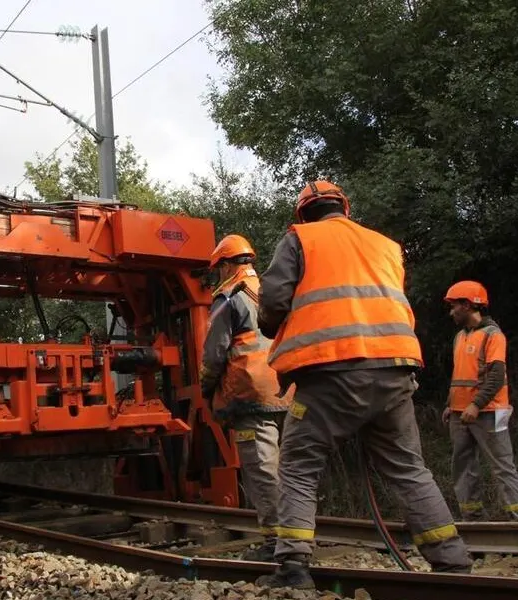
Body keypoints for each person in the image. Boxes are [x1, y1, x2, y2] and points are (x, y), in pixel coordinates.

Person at [255, 180, 473, 588]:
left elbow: (273, 302)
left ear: (304, 214)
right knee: (408, 468)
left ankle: (292, 567)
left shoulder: (300, 238)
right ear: (344, 207)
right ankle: (452, 561)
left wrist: (270, 325)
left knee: (299, 466)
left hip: (330, 372)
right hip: (394, 369)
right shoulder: (385, 245)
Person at [200, 234, 293, 562]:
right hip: (285, 389)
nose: (218, 275)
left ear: (227, 265)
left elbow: (214, 354)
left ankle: (277, 543)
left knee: (262, 470)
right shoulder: (269, 291)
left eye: (218, 268)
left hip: (250, 394)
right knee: (289, 468)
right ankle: (297, 535)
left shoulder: (228, 298)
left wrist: (206, 388)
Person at [443, 281, 518, 521]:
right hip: (460, 413)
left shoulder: (493, 335)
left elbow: (496, 376)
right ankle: (473, 519)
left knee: (502, 465)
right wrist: (450, 404)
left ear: (467, 305)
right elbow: (460, 374)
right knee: (463, 466)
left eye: (454, 306)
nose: (451, 312)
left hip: (488, 411)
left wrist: (476, 405)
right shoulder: (460, 336)